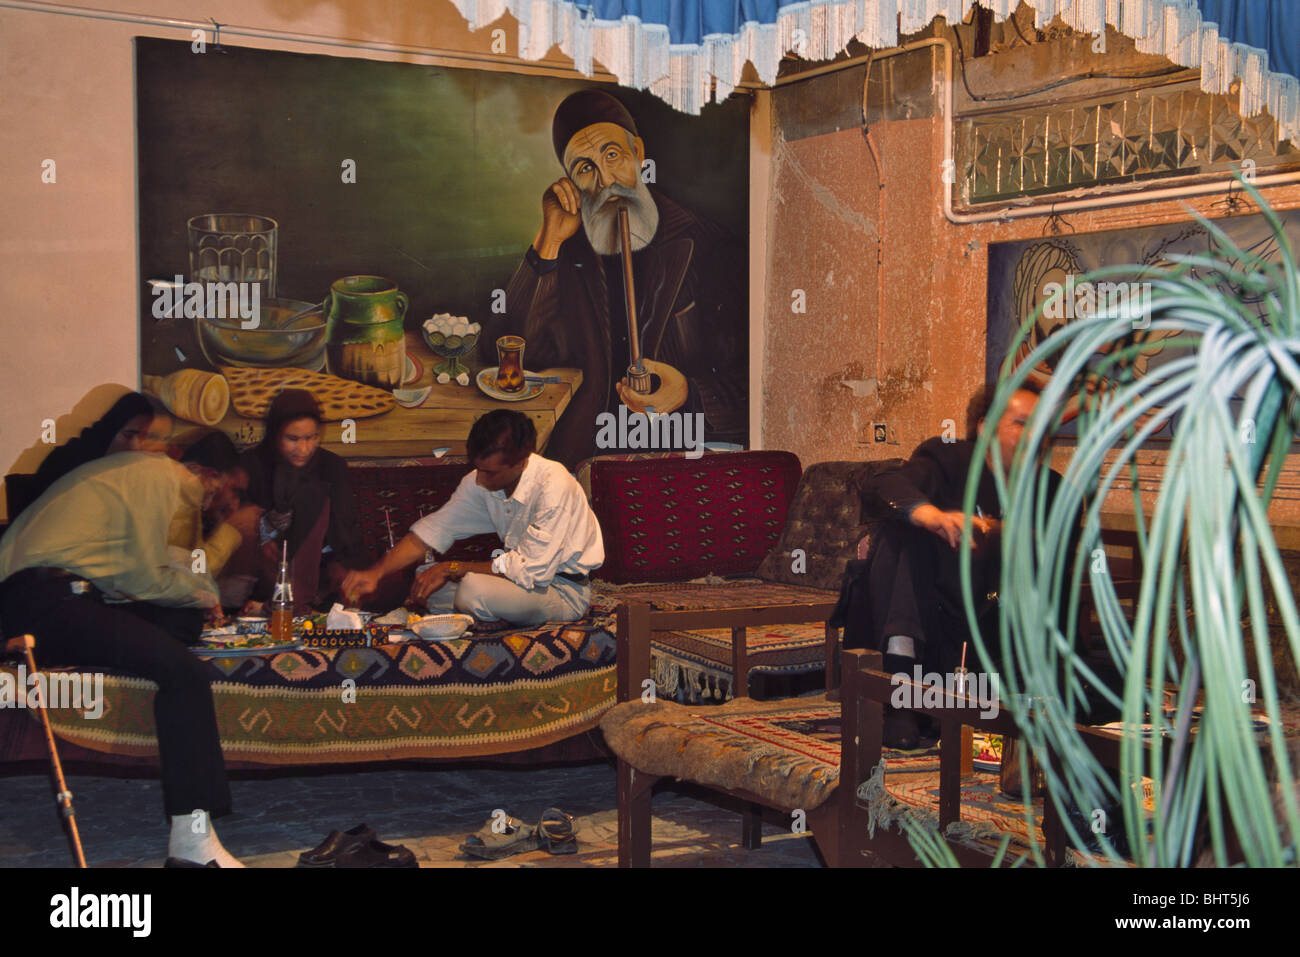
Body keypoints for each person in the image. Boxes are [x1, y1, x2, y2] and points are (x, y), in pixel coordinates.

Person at [0, 450, 246, 866]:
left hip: (52, 599)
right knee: (184, 673)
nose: (230, 504)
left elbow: (126, 579)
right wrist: (204, 592)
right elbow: (143, 577)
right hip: (44, 600)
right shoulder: (160, 476)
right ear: (206, 472)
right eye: (232, 490)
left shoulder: (133, 479)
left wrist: (192, 598)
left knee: (178, 621)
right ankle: (192, 842)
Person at [502, 88, 748, 467]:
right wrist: (548, 240)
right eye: (585, 168)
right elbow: (511, 355)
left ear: (638, 151)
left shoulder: (707, 243)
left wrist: (689, 393)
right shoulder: (570, 250)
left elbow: (758, 383)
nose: (606, 181)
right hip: (587, 460)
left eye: (613, 156)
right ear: (571, 182)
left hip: (683, 460)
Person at [848, 384, 1042, 748]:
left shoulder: (1045, 486)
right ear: (985, 427)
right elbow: (883, 484)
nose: (1033, 435)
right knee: (907, 530)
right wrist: (933, 516)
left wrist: (991, 530)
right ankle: (900, 694)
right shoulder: (950, 457)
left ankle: (932, 705)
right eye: (1021, 423)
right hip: (926, 611)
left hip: (988, 622)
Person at [343, 410, 603, 626]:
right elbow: (432, 531)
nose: (480, 479)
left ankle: (483, 617)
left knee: (473, 590)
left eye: (489, 472)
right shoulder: (481, 481)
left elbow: (529, 571)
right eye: (477, 469)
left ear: (521, 462)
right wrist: (375, 573)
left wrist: (452, 567)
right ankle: (480, 615)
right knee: (425, 581)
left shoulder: (554, 485)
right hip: (516, 584)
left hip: (562, 592)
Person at [239, 389, 362, 612]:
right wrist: (265, 535)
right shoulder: (253, 465)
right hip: (267, 573)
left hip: (324, 570)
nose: (303, 449)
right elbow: (240, 527)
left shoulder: (331, 466)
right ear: (275, 434)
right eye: (292, 439)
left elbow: (346, 530)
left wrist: (339, 566)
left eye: (311, 438)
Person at [22, 392, 172, 513]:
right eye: (128, 435)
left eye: (142, 437)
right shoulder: (69, 462)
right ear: (110, 429)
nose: (136, 446)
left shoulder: (123, 467)